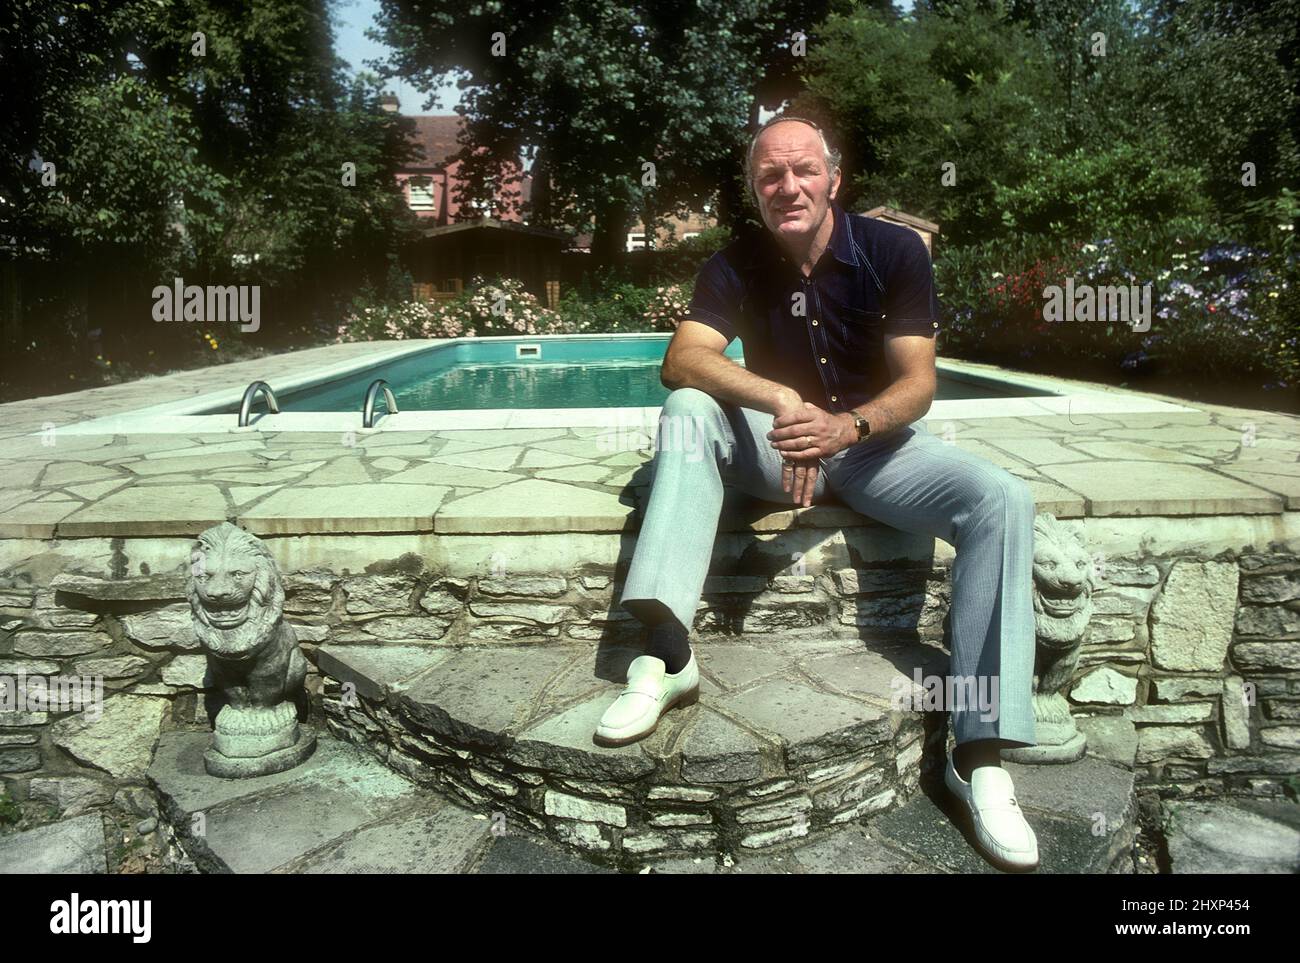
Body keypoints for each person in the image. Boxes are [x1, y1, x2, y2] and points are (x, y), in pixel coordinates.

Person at [594, 115, 1039, 869]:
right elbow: (682, 359)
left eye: (804, 170)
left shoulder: (892, 251)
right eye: (771, 176)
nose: (788, 186)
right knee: (687, 410)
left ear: (834, 177)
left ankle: (981, 752)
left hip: (874, 447)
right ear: (754, 190)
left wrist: (849, 426)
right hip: (781, 448)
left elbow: (919, 382)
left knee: (1001, 498)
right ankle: (667, 656)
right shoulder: (735, 263)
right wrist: (782, 400)